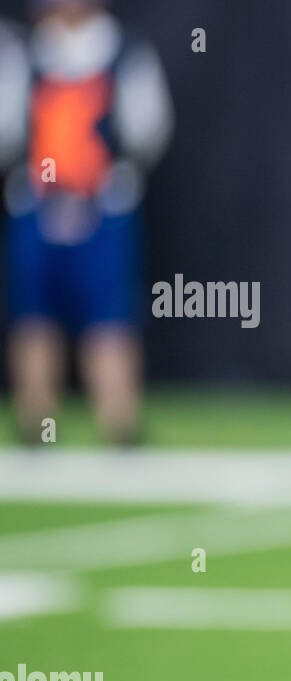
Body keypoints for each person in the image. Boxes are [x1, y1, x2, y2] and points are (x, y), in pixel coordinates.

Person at [2, 0, 171, 445]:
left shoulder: (126, 50)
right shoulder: (23, 51)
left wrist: (100, 183)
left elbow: (147, 129)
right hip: (36, 206)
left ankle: (119, 422)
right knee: (32, 315)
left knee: (110, 317)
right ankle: (35, 422)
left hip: (106, 210)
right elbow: (7, 130)